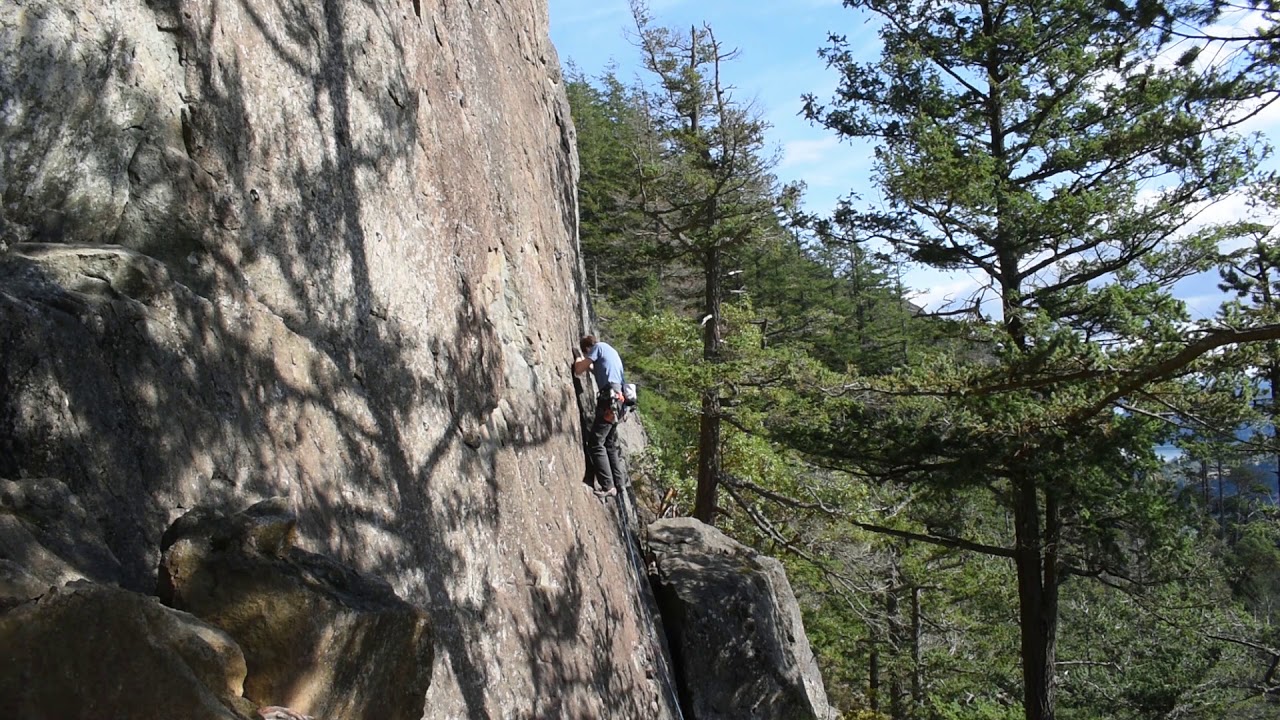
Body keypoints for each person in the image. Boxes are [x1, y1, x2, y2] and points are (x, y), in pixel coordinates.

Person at [573, 334, 626, 499]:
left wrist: (579, 360)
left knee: (596, 443)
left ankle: (607, 485)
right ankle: (619, 483)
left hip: (608, 400)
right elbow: (596, 369)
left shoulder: (598, 348)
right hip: (619, 401)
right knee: (609, 444)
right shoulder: (611, 351)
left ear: (588, 348)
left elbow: (579, 370)